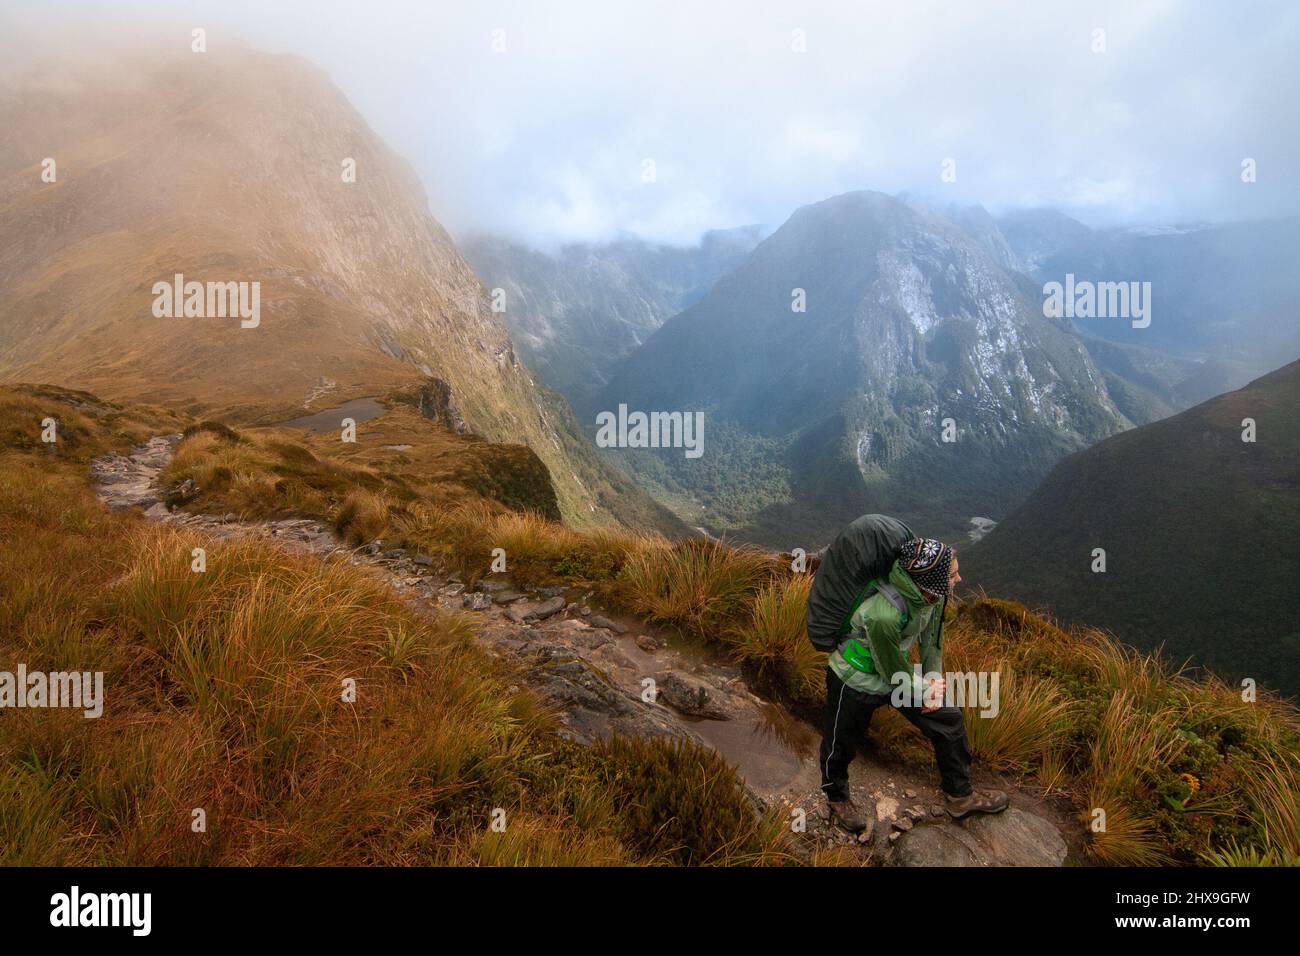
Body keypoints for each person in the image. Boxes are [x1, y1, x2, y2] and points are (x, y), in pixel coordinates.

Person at [817, 533, 1008, 833]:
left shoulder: (932, 597)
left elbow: (932, 641)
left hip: (897, 674)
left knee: (948, 719)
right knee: (841, 742)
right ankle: (836, 796)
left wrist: (932, 683)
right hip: (854, 678)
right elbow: (890, 670)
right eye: (954, 574)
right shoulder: (884, 614)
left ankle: (960, 795)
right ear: (930, 581)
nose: (959, 579)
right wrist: (922, 691)